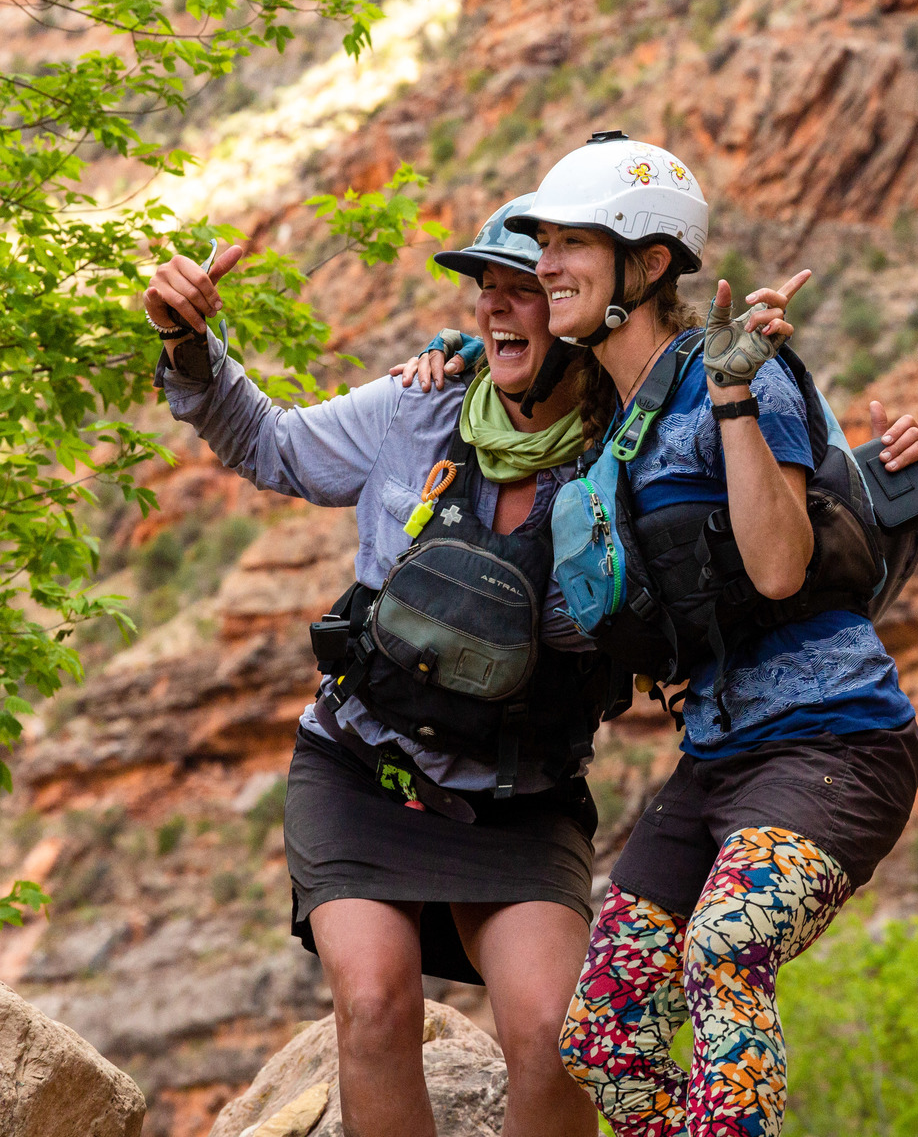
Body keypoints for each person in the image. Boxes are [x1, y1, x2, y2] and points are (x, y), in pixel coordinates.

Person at [140, 197, 660, 1137]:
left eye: (525, 291)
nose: (499, 310)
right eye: (486, 292)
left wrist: (878, 492)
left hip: (519, 793)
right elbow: (272, 443)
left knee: (556, 1033)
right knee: (376, 1001)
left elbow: (734, 529)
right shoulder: (416, 407)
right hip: (363, 768)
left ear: (575, 313)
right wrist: (188, 345)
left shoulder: (622, 451)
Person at [503, 133, 918, 1137]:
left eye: (571, 242)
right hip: (716, 758)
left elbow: (779, 566)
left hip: (837, 740)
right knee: (606, 1033)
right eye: (542, 244)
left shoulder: (745, 382)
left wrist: (737, 398)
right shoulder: (603, 433)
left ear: (650, 261)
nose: (546, 266)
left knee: (725, 945)